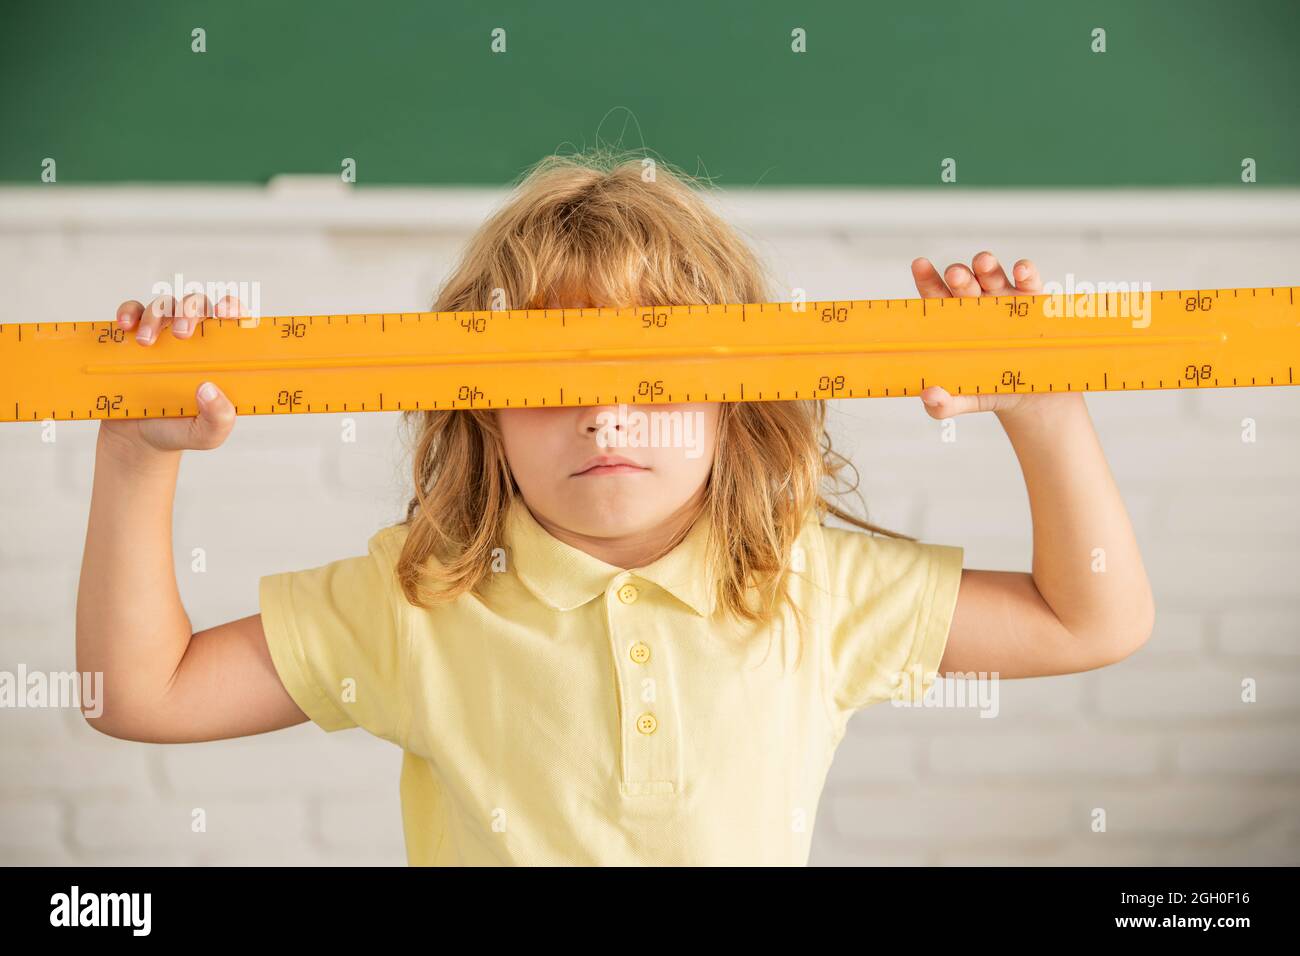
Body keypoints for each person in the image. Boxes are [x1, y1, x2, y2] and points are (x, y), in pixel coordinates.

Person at [77, 150, 1154, 865]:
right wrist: (136, 453)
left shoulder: (807, 584)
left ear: (736, 404)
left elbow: (1093, 618)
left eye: (655, 370)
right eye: (550, 372)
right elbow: (141, 691)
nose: (602, 411)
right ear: (481, 410)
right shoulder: (418, 596)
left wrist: (1043, 413)